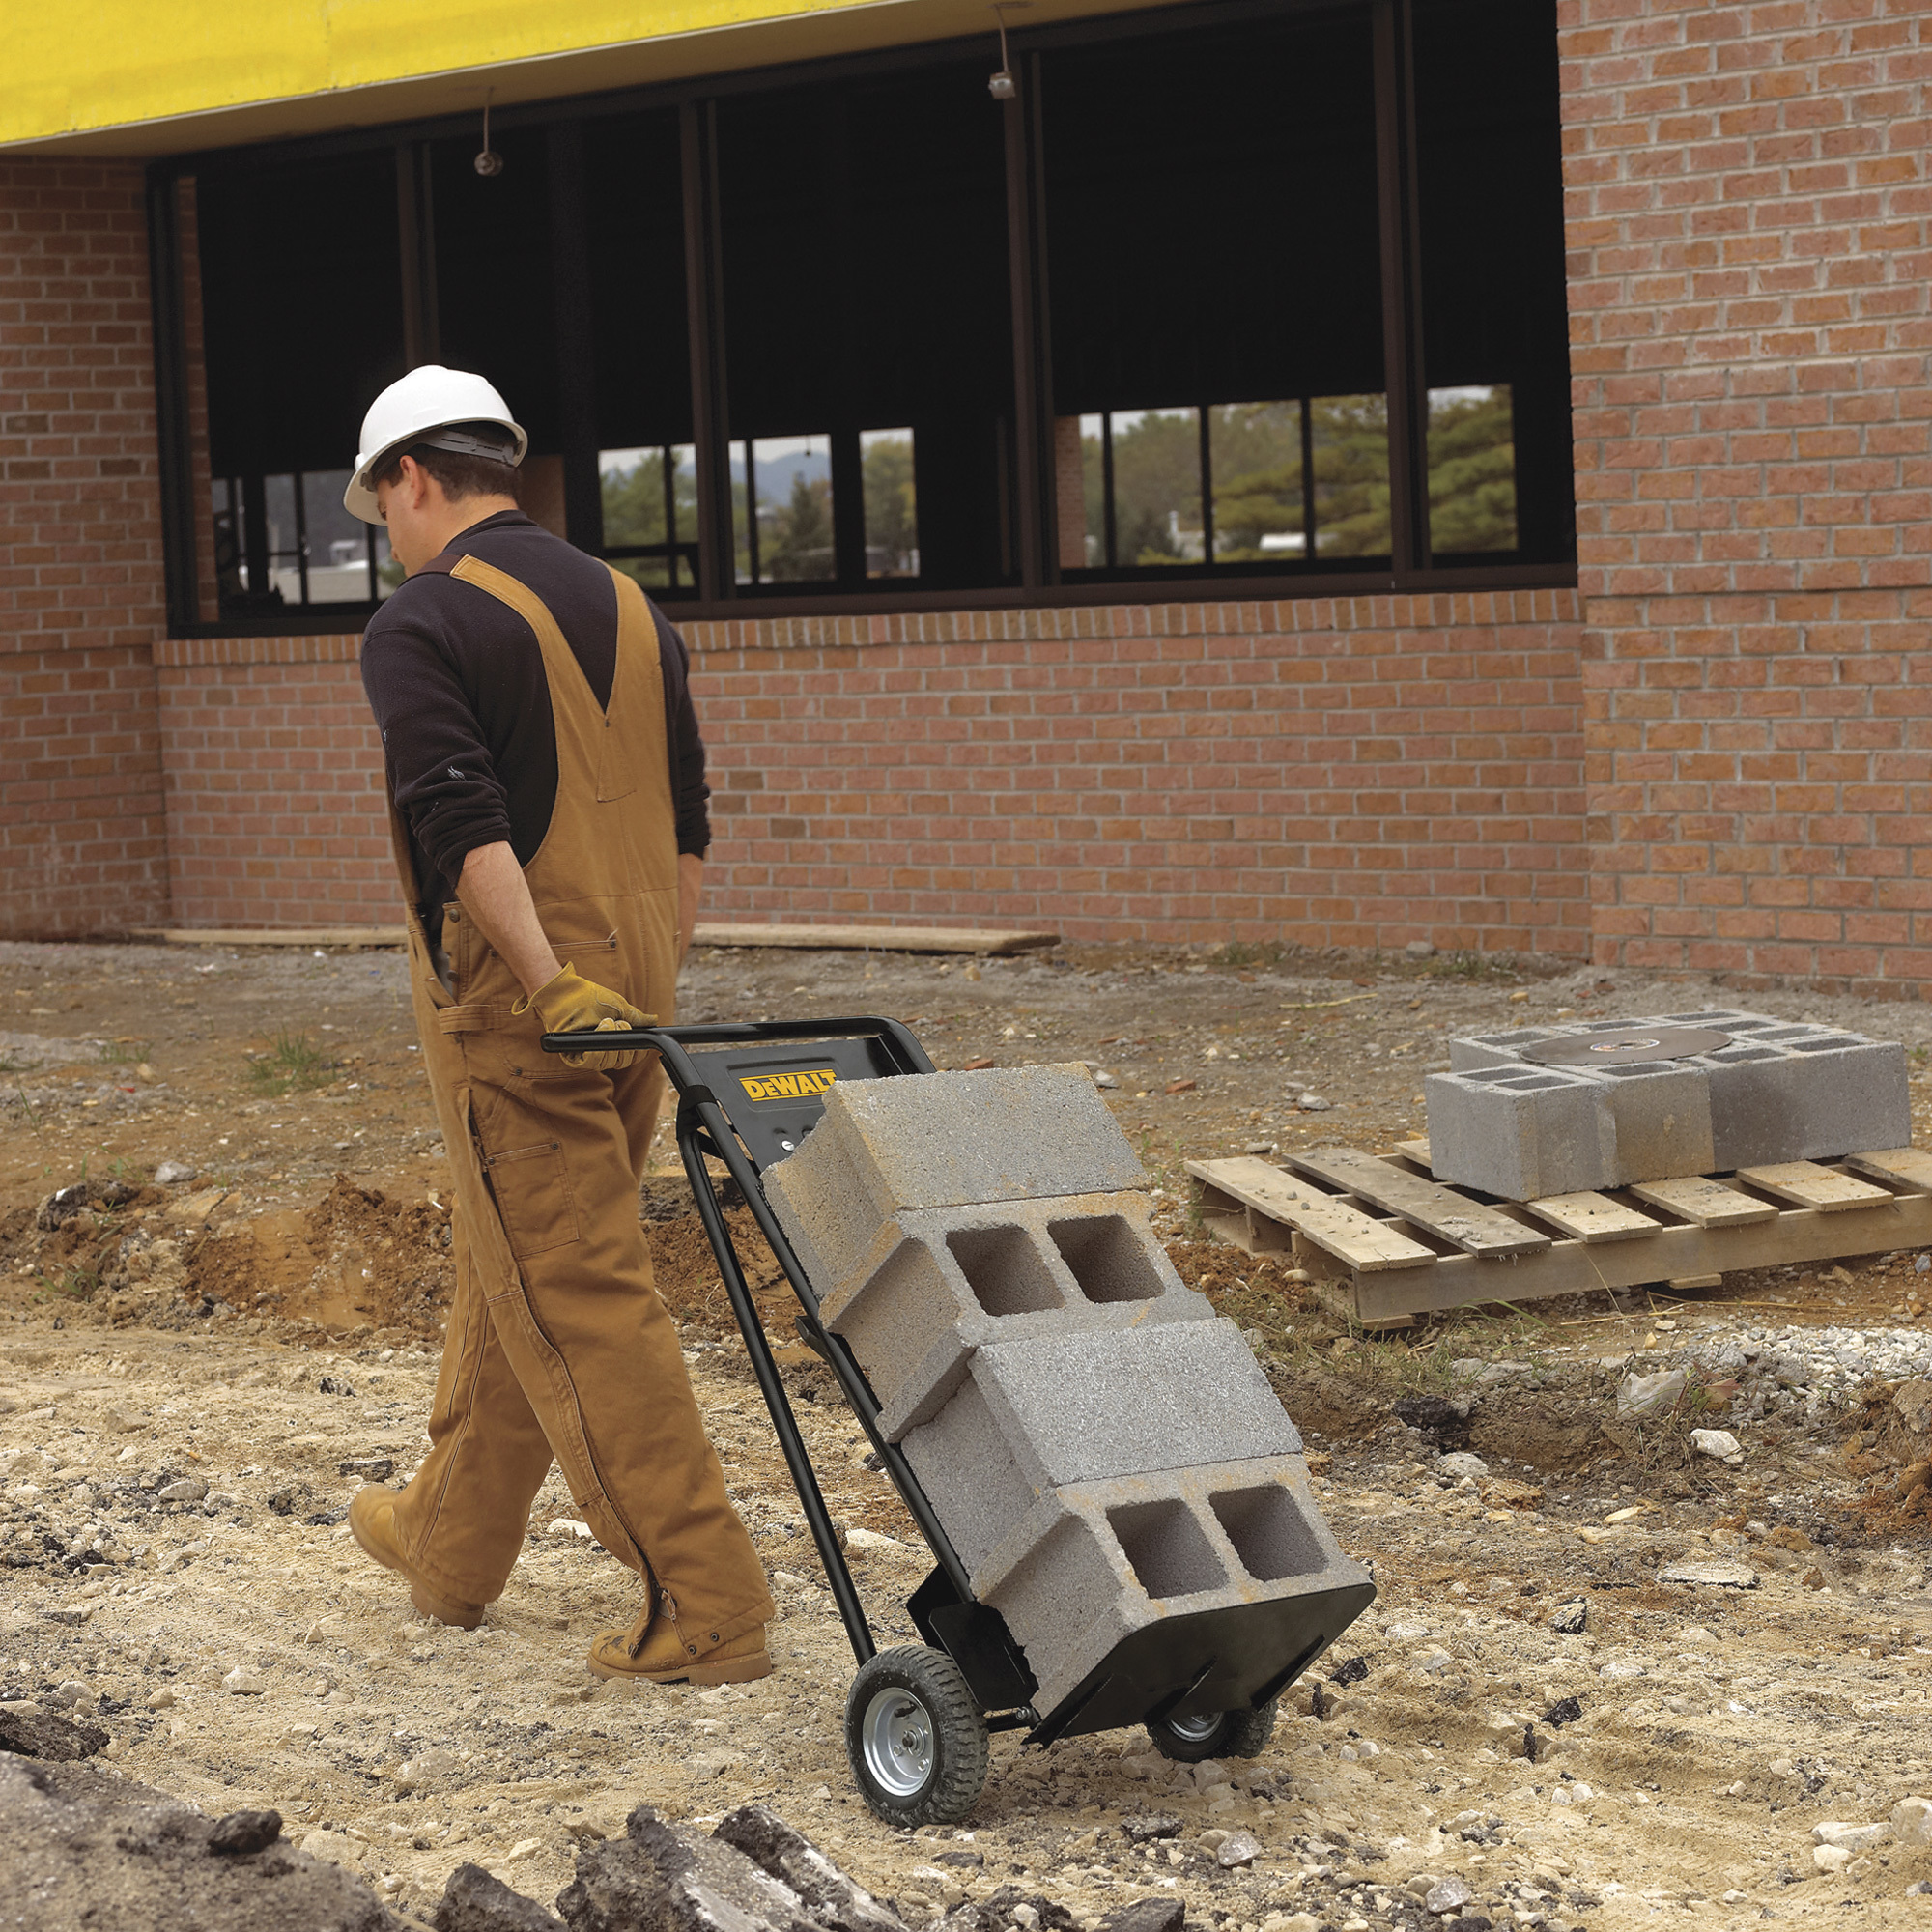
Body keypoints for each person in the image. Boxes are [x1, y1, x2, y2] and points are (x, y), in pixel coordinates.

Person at [342, 364, 773, 1685]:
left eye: (385, 509)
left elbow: (457, 817)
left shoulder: (420, 622)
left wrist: (540, 979)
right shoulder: (633, 605)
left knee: (573, 1287)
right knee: (514, 1254)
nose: (393, 537)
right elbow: (691, 825)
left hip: (522, 999)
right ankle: (450, 1540)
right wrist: (638, 976)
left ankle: (704, 1602)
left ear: (413, 478)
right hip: (634, 981)